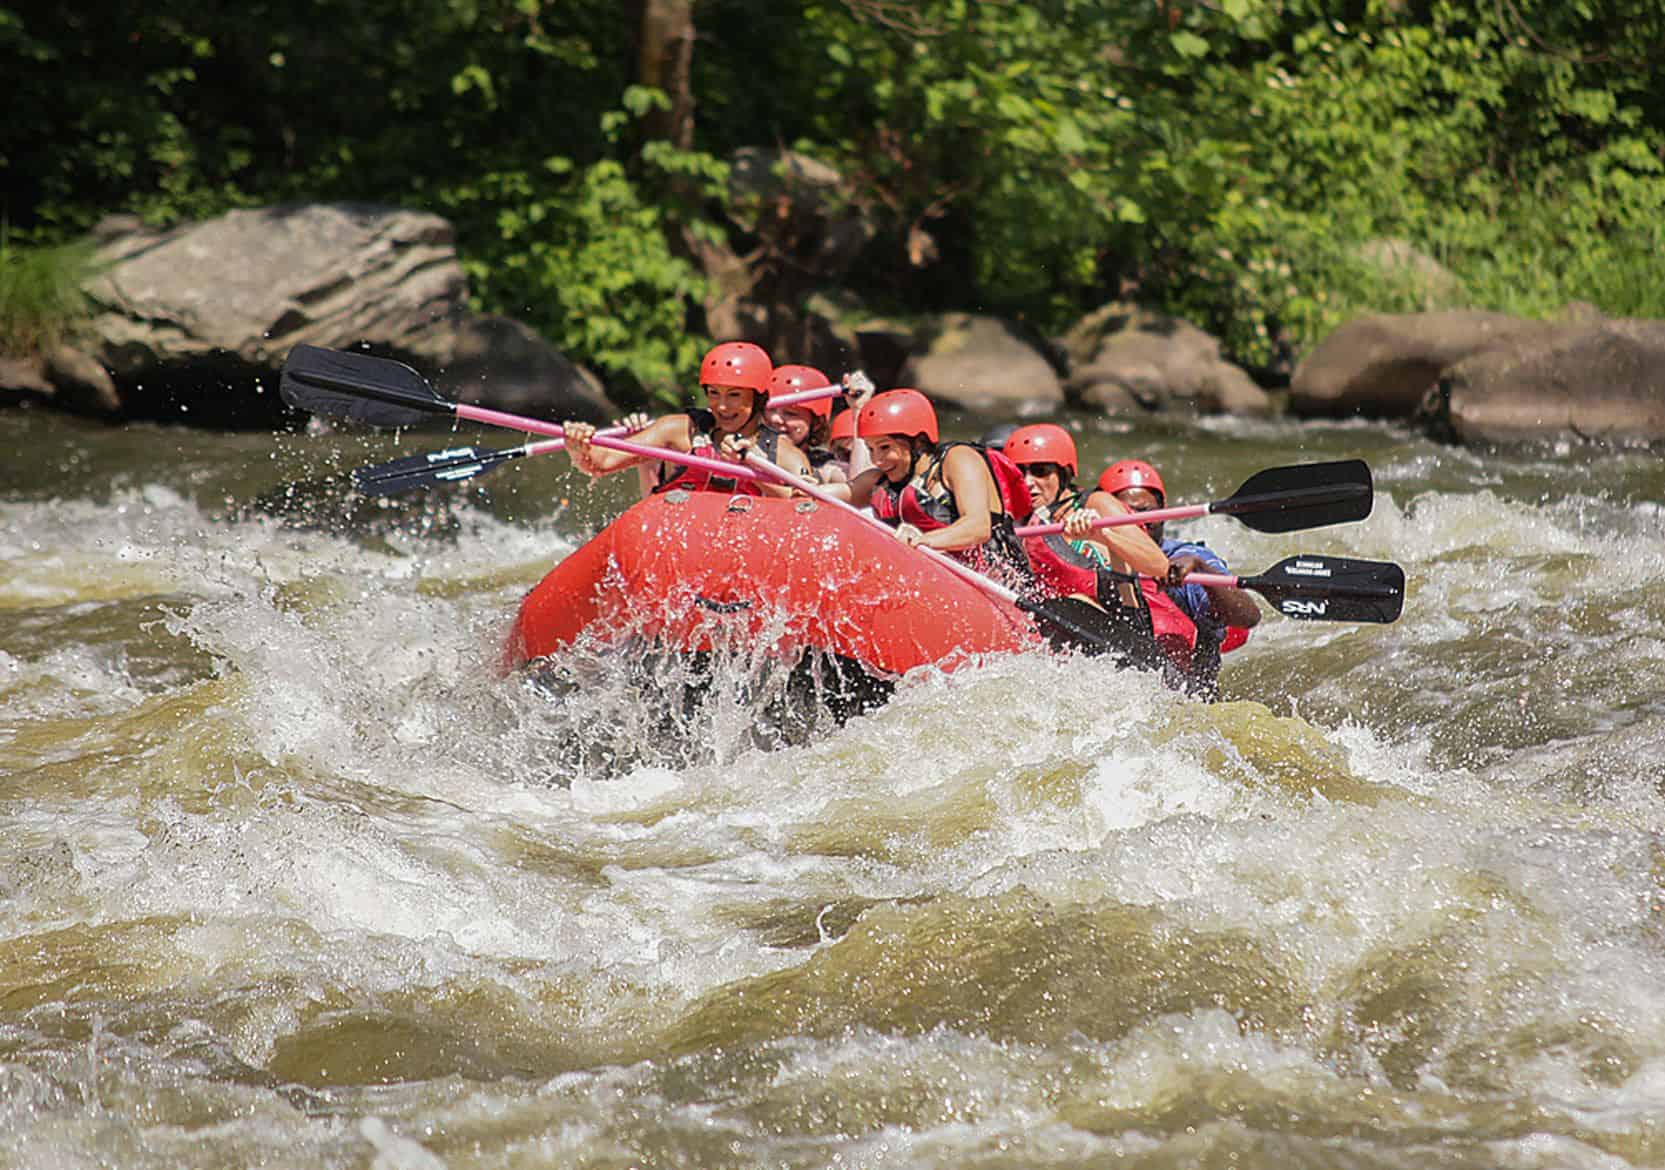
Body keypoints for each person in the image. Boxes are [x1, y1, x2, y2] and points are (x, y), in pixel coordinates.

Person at [1002, 425, 1192, 674]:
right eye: (1019, 472)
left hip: (1127, 638)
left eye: (1040, 471)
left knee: (1068, 604)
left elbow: (1158, 565)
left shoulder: (1096, 505)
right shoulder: (1014, 518)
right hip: (1060, 633)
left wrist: (1102, 534)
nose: (1028, 482)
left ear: (1064, 473)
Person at [828, 388, 1032, 587]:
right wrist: (802, 487)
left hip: (999, 586)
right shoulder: (880, 481)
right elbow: (838, 493)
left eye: (885, 447)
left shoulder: (958, 459)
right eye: (871, 449)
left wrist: (922, 540)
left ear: (918, 442)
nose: (877, 460)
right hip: (938, 587)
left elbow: (978, 527)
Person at [1099, 459, 1262, 698]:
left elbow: (1248, 617)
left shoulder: (1188, 558)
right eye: (1124, 513)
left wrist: (1201, 569)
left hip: (1192, 699)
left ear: (1163, 509)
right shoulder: (1092, 555)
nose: (1136, 521)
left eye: (1143, 510)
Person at [562, 341, 811, 497]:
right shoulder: (678, 430)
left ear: (758, 399)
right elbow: (601, 462)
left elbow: (805, 507)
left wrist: (752, 466)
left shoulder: (785, 456)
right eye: (714, 393)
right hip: (669, 541)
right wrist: (578, 447)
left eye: (734, 395)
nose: (722, 406)